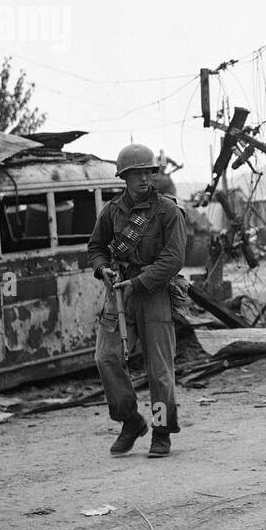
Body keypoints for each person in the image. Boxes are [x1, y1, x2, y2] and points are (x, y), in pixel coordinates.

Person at [87, 142, 187, 458]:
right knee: (106, 357)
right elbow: (96, 247)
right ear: (124, 178)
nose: (144, 179)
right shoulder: (112, 211)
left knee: (159, 370)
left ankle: (160, 431)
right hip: (119, 293)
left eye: (147, 173)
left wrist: (140, 282)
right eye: (136, 174)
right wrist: (103, 269)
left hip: (153, 291)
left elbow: (174, 258)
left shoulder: (167, 210)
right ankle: (130, 420)